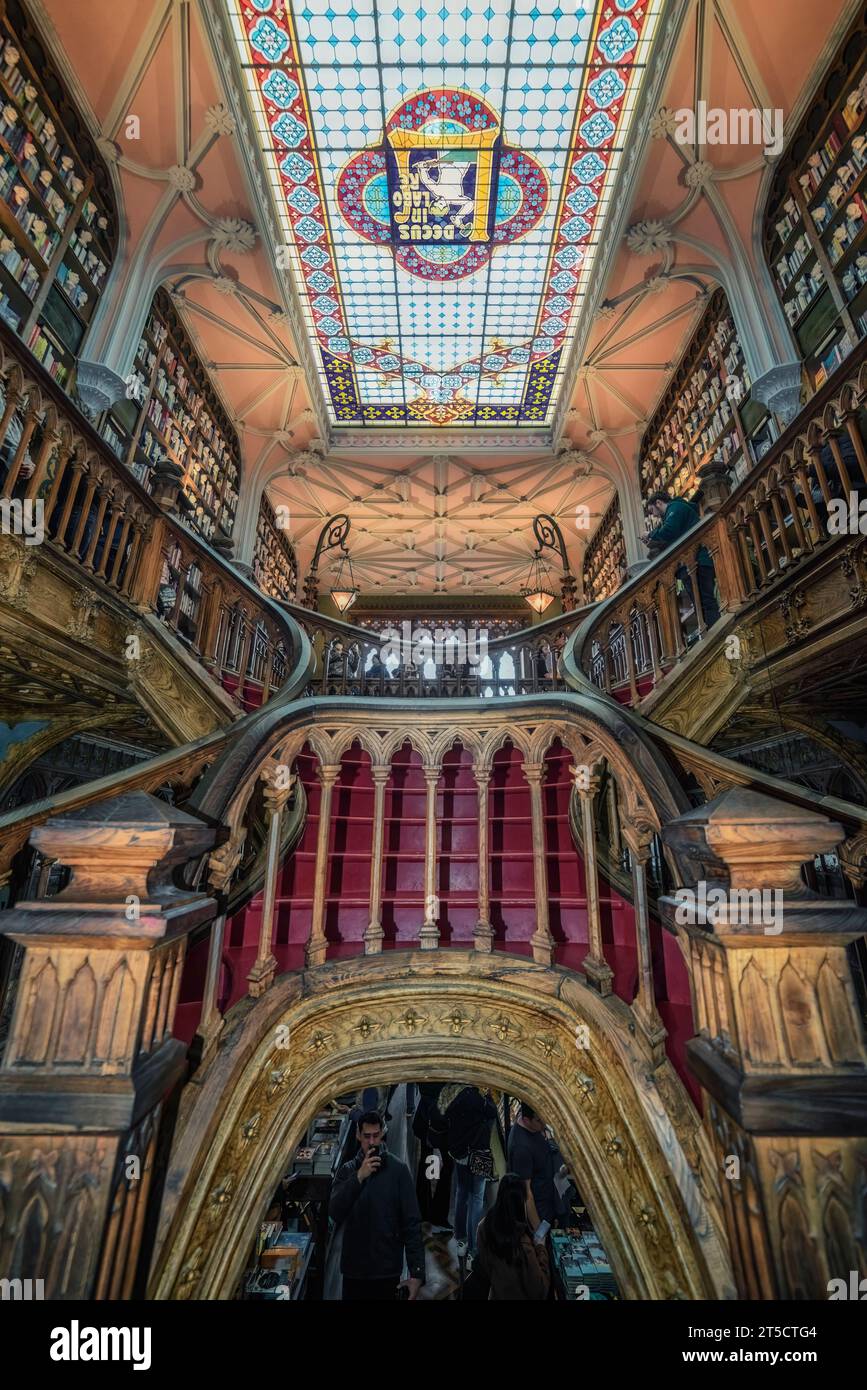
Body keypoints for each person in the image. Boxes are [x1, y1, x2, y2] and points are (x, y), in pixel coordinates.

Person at [329, 1110, 425, 1301]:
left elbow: (412, 1223)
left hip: (386, 1270)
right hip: (354, 1271)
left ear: (382, 1135)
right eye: (366, 1136)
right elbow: (335, 1212)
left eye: (376, 1136)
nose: (371, 1142)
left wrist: (417, 1273)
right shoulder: (347, 1171)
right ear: (358, 1135)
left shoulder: (399, 1171)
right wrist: (358, 1178)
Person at [644, 487, 720, 628]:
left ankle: (718, 631)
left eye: (651, 511)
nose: (653, 515)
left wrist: (650, 535)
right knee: (700, 603)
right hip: (690, 563)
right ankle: (711, 630)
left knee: (705, 601)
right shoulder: (670, 514)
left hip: (697, 561)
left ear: (659, 503)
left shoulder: (676, 508)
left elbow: (669, 531)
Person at [469, 1173, 551, 1300]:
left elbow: (486, 1269)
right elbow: (540, 1289)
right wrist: (541, 1249)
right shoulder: (523, 1244)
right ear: (521, 1202)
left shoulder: (483, 1227)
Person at [444, 1084, 497, 1261]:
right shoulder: (479, 1100)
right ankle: (473, 1250)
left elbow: (447, 1115)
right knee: (476, 1198)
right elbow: (492, 1112)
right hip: (478, 1154)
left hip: (460, 1154)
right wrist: (489, 1096)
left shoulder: (456, 1095)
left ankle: (461, 1240)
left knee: (461, 1193)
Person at [506, 1102, 564, 1236]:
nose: (544, 1123)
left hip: (548, 1202)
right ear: (526, 1120)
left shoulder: (534, 1127)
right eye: (539, 1120)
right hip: (539, 1210)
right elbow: (527, 1195)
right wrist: (539, 1232)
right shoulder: (521, 1148)